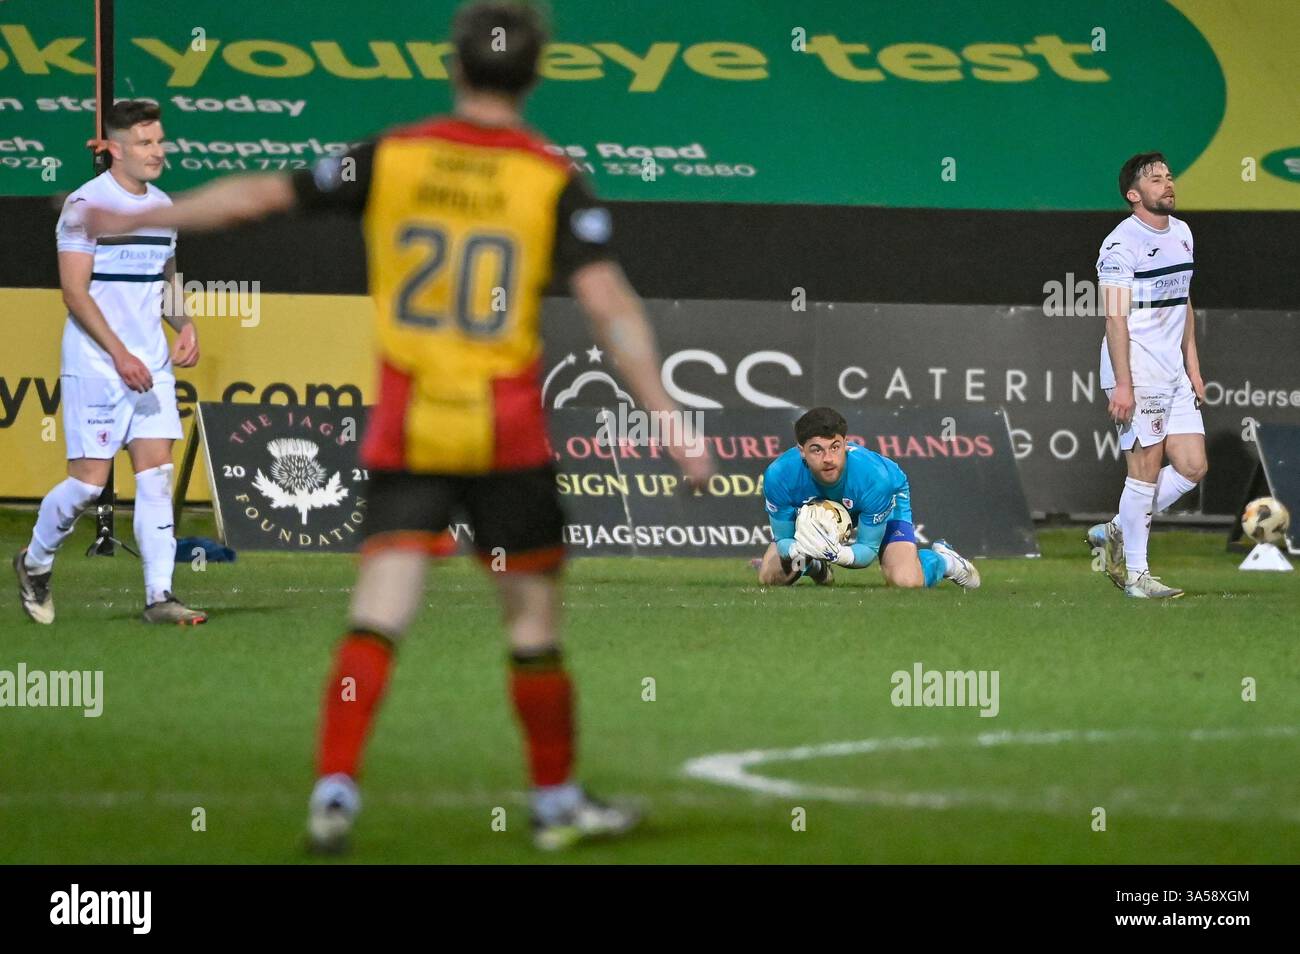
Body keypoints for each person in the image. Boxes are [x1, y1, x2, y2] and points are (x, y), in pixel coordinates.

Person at [84, 1, 712, 851]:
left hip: (412, 431)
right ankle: (557, 805)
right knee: (531, 628)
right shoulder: (548, 175)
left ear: (455, 68)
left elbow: (253, 198)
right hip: (507, 438)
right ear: (534, 74)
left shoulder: (394, 156)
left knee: (380, 611)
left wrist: (141, 216)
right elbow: (611, 305)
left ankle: (335, 790)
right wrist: (670, 419)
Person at [14, 99, 206, 626]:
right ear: (115, 150)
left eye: (159, 141)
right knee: (87, 485)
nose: (156, 151)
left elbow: (165, 281)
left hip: (150, 367)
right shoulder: (84, 207)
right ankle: (33, 563)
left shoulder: (164, 207)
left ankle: (159, 597)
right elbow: (74, 293)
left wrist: (185, 324)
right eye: (145, 143)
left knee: (155, 477)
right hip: (99, 365)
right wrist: (119, 355)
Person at [1087, 152, 1206, 599]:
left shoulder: (1183, 233)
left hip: (1173, 372)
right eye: (1155, 179)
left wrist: (1192, 366)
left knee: (1193, 466)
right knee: (1144, 471)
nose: (1167, 184)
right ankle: (1136, 576)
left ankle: (1119, 526)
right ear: (1134, 196)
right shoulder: (1121, 244)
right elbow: (1114, 319)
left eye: (1169, 177)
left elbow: (1184, 302)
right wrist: (1122, 383)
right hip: (1137, 370)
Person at [757, 406, 980, 590]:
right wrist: (799, 549)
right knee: (772, 576)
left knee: (905, 581)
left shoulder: (877, 479)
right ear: (801, 451)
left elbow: (866, 550)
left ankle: (944, 560)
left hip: (885, 495)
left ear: (845, 443)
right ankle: (815, 565)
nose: (828, 458)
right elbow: (783, 538)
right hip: (824, 513)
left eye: (835, 447)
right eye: (817, 450)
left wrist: (837, 554)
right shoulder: (779, 476)